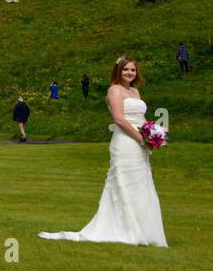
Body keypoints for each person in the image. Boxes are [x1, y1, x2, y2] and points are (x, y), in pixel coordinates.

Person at [40, 56, 167, 246]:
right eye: (126, 70)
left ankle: (143, 229)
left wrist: (152, 135)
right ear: (118, 71)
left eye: (133, 70)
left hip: (140, 140)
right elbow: (119, 119)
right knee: (124, 181)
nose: (130, 73)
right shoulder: (115, 90)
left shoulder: (135, 91)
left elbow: (140, 117)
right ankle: (124, 228)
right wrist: (140, 138)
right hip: (126, 140)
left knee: (140, 184)